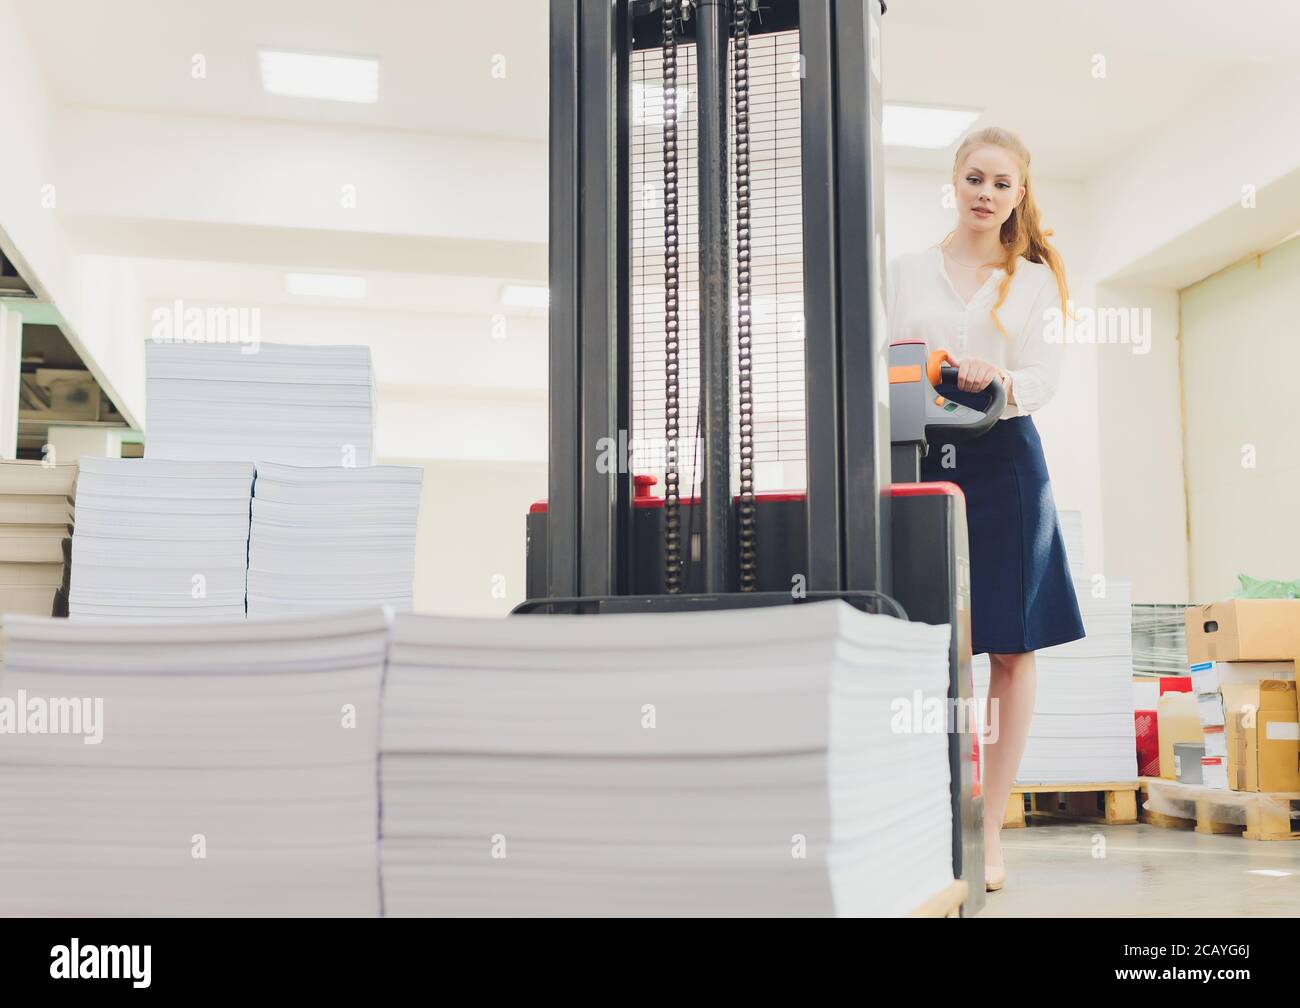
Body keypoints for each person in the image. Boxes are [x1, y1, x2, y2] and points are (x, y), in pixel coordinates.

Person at [886, 126, 1085, 894]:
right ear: (955, 182)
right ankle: (928, 818)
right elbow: (880, 358)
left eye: (1002, 184)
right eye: (974, 178)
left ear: (1018, 196)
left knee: (1009, 647)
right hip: (922, 457)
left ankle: (988, 831)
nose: (986, 193)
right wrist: (931, 370)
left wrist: (995, 375)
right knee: (934, 647)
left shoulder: (1032, 282)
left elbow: (1043, 379)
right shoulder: (905, 272)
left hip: (1005, 460)